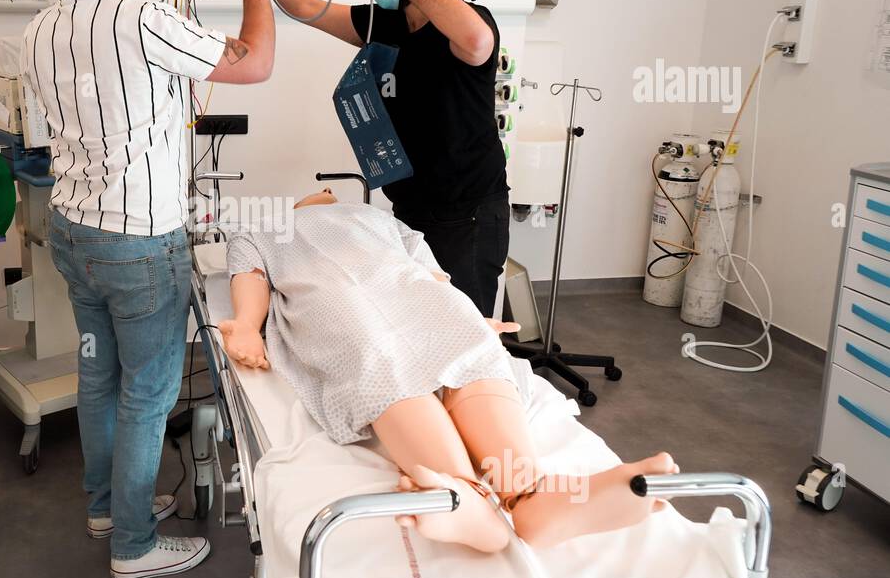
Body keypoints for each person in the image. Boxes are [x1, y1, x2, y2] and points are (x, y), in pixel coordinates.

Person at [22, 0, 274, 578]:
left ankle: (107, 507)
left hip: (75, 233)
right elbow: (255, 60)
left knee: (100, 374)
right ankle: (131, 546)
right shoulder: (140, 20)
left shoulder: (39, 27)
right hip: (138, 243)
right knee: (149, 392)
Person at [220, 190, 677, 552]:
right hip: (335, 297)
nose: (322, 192)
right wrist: (245, 326)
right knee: (378, 356)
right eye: (314, 191)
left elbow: (433, 276)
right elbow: (251, 278)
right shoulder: (261, 228)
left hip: (412, 292)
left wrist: (470, 318)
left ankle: (532, 497)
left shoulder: (378, 218)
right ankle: (463, 496)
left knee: (473, 350)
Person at [198, 0, 510, 317]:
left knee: (466, 331)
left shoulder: (471, 21)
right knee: (420, 323)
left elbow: (477, 41)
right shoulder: (386, 23)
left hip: (467, 215)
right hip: (412, 210)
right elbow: (306, 6)